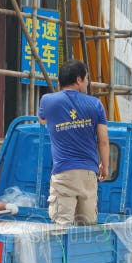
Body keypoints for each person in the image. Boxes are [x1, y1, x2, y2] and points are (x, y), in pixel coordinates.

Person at [38, 59, 109, 225]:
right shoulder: (95, 104)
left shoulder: (47, 101)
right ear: (78, 80)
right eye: (86, 79)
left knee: (61, 227)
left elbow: (42, 121)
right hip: (88, 174)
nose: (87, 83)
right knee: (86, 226)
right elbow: (103, 141)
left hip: (64, 173)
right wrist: (104, 166)